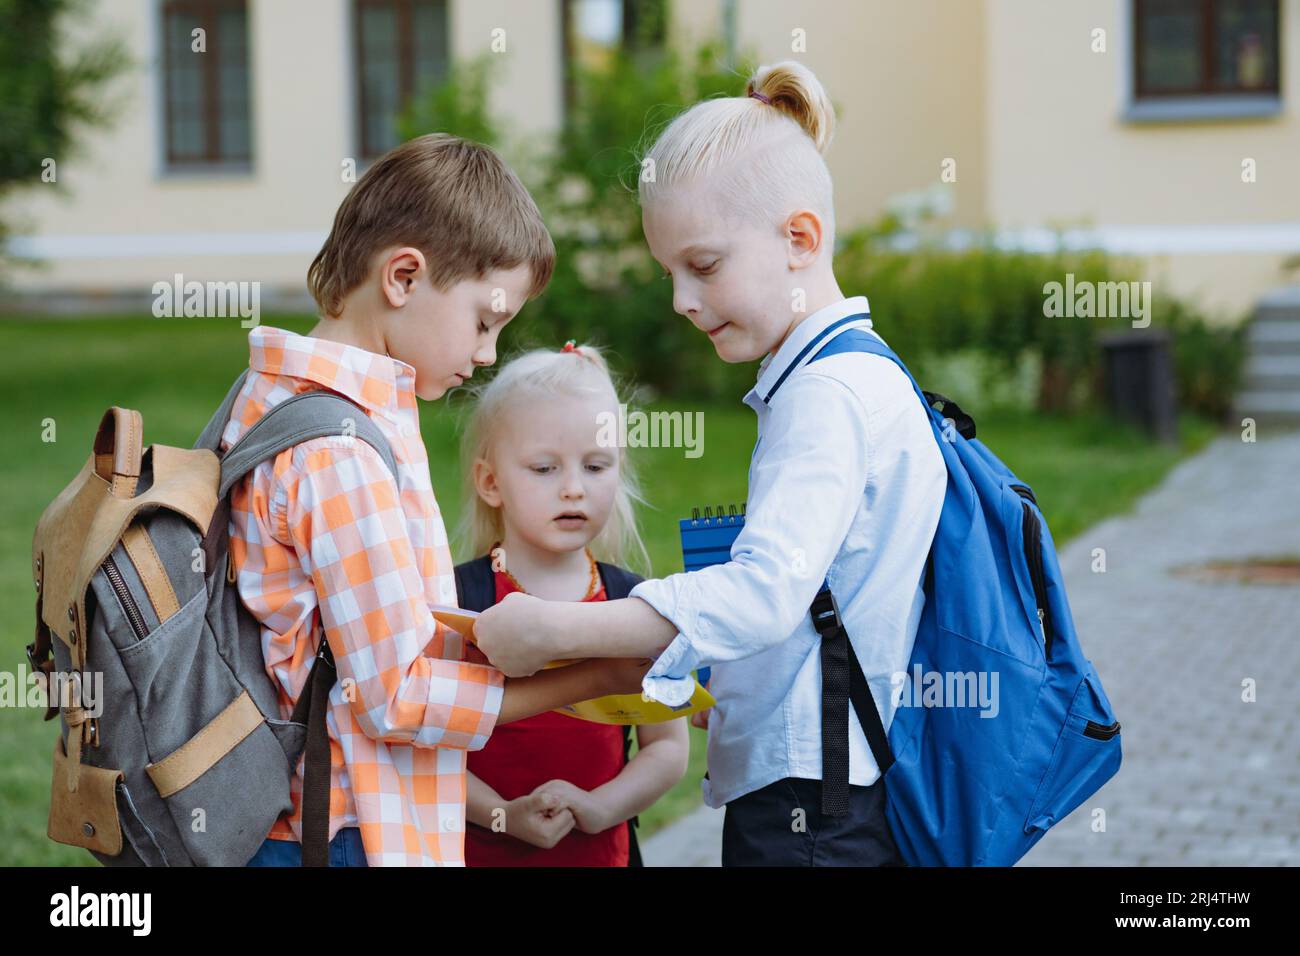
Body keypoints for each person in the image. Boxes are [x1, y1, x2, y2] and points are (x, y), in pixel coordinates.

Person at [473, 63, 947, 866]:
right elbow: (820, 597)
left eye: (704, 265)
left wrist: (554, 626)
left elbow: (765, 592)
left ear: (799, 240)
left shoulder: (825, 397)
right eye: (671, 274)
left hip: (810, 803)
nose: (682, 301)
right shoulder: (854, 375)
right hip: (829, 784)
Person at [235, 133, 650, 867]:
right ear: (403, 277)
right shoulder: (340, 452)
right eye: (484, 321)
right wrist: (594, 676)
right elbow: (397, 698)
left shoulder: (271, 394)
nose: (487, 353)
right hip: (341, 828)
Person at [454, 342, 689, 866]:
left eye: (596, 466)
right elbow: (429, 742)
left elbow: (667, 746)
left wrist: (601, 808)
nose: (573, 489)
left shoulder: (634, 604)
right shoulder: (461, 601)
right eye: (544, 468)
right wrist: (501, 814)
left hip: (602, 854)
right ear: (491, 482)